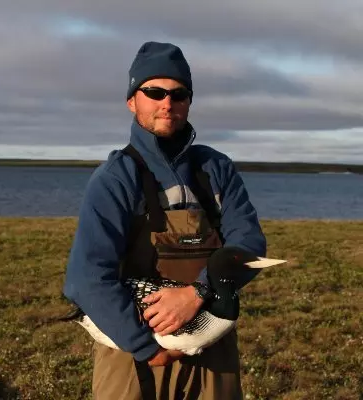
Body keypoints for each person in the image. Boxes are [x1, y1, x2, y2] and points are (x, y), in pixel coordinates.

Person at [63, 41, 266, 400]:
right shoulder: (114, 178)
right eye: (154, 92)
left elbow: (249, 247)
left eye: (179, 94)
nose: (167, 103)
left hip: (212, 346)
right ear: (132, 100)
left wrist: (196, 293)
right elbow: (86, 278)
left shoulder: (216, 169)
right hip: (132, 351)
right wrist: (148, 348)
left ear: (189, 101)